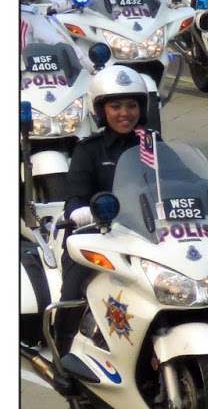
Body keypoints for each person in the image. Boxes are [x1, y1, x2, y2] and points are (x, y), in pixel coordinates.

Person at [51, 65, 152, 391]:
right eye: (116, 106)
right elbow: (74, 196)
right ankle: (62, 357)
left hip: (143, 235)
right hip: (96, 237)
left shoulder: (151, 144)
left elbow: (180, 181)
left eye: (131, 105)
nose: (125, 113)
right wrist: (81, 212)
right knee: (72, 292)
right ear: (101, 110)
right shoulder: (89, 150)